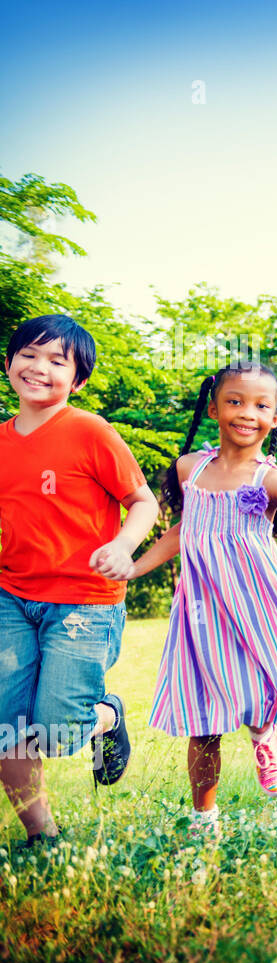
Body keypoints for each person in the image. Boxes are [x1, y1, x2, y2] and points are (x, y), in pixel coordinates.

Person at [131, 361, 277, 835]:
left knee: (259, 689)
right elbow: (183, 530)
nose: (246, 413)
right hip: (200, 610)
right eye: (235, 401)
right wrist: (132, 569)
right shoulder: (189, 468)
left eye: (261, 405)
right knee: (204, 716)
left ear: (275, 417)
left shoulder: (271, 481)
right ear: (215, 407)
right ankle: (204, 818)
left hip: (258, 605)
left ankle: (265, 732)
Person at [0, 314, 159, 846]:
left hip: (83, 602)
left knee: (58, 731)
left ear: (78, 381)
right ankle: (43, 837)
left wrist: (121, 545)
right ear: (8, 363)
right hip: (12, 597)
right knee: (6, 726)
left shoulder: (89, 431)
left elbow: (143, 502)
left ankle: (107, 717)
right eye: (29, 354)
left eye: (57, 360)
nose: (39, 367)